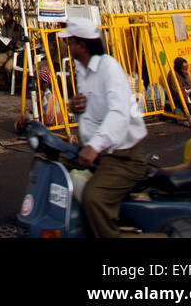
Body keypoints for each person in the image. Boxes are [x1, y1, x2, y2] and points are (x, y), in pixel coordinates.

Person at [62, 16, 147, 238]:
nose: (67, 46)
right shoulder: (82, 70)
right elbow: (89, 109)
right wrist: (74, 107)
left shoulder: (109, 68)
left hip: (123, 157)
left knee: (93, 198)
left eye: (69, 42)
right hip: (97, 152)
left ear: (81, 45)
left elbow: (119, 113)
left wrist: (94, 147)